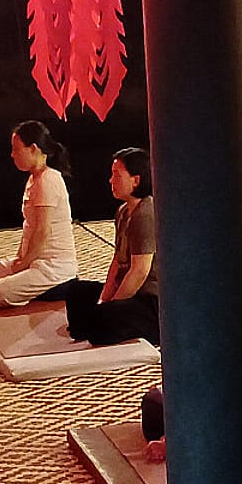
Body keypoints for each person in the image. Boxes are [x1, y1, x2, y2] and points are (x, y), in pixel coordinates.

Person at [64, 148, 160, 346]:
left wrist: (112, 306)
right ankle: (95, 323)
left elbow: (139, 272)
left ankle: (102, 323)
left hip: (150, 300)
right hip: (130, 294)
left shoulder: (146, 214)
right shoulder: (123, 211)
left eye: (116, 175)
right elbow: (117, 262)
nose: (110, 180)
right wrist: (104, 300)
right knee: (77, 292)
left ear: (136, 180)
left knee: (104, 321)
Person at [0, 121, 78, 308]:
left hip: (53, 265)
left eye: (16, 149)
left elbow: (42, 232)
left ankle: (55, 287)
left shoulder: (49, 180)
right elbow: (29, 227)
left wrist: (24, 265)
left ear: (33, 149)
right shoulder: (35, 178)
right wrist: (20, 258)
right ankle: (32, 287)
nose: (12, 155)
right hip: (33, 258)